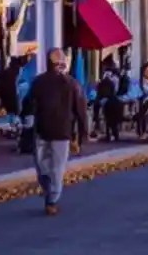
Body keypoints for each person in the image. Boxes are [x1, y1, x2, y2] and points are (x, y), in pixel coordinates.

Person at [28, 49, 87, 215]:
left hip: (44, 129)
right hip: (61, 130)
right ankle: (52, 196)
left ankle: (49, 189)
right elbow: (80, 111)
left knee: (43, 163)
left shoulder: (39, 82)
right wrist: (81, 135)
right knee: (57, 166)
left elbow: (28, 104)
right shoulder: (72, 84)